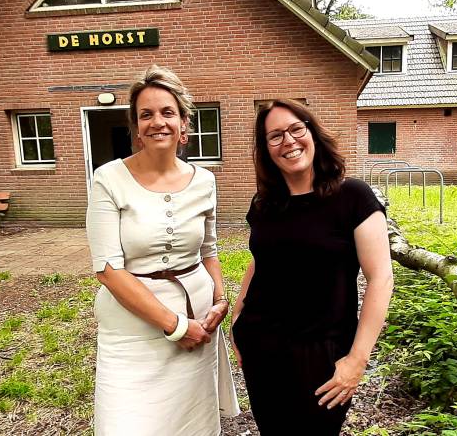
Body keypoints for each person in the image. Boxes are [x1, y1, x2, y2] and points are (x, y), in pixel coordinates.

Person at [86, 65, 237, 436]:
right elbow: (107, 268)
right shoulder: (108, 178)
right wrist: (174, 326)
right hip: (131, 329)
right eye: (146, 114)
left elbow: (209, 251)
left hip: (199, 319)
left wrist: (220, 300)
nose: (158, 122)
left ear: (184, 123)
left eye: (168, 112)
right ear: (136, 127)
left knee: (191, 424)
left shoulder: (204, 181)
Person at [231, 99, 394, 435]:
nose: (288, 141)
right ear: (266, 149)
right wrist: (237, 316)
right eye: (274, 136)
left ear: (313, 133)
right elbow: (261, 259)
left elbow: (380, 279)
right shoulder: (264, 203)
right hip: (262, 346)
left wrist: (357, 360)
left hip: (322, 354)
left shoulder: (353, 197)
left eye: (295, 129)